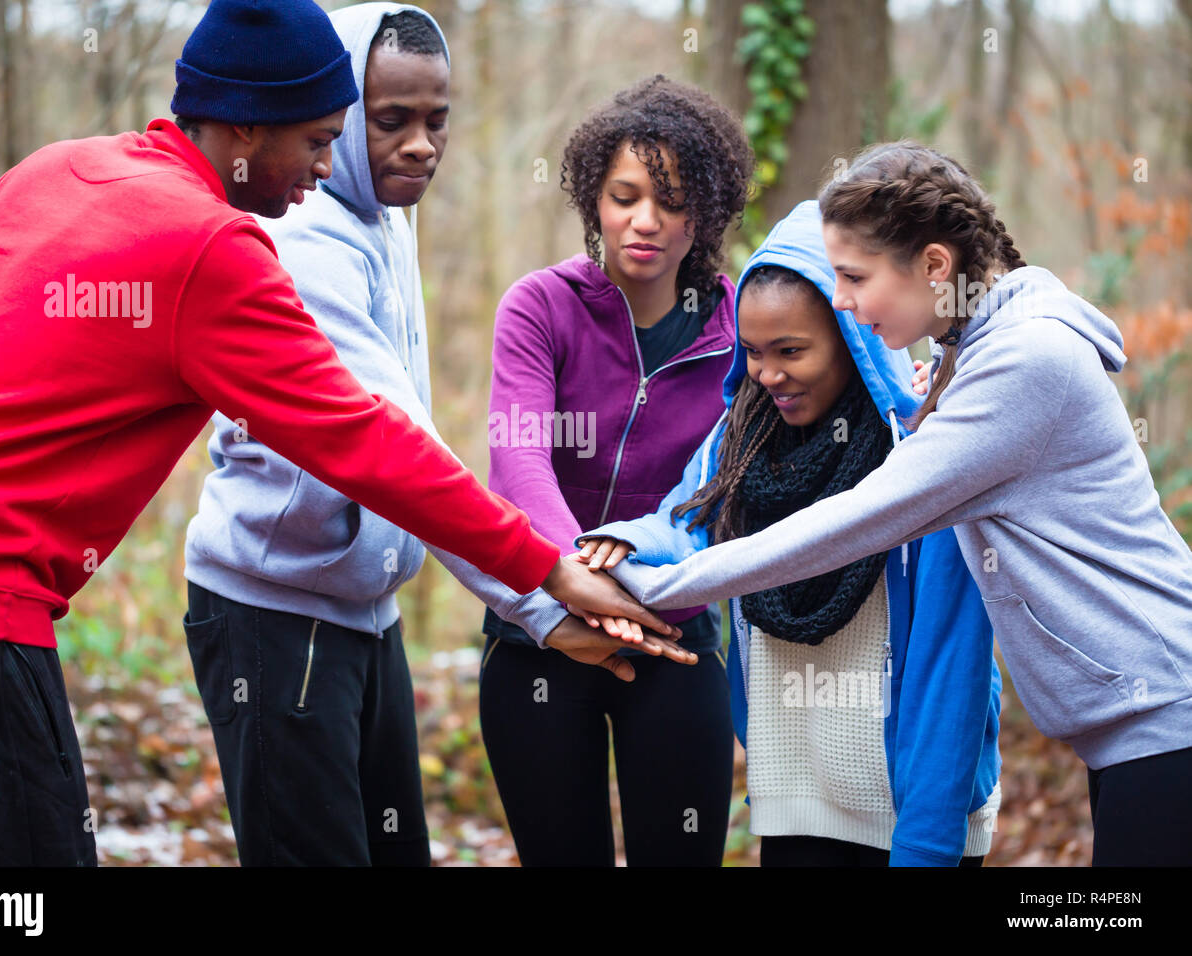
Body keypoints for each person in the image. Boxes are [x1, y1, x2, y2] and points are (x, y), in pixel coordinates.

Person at [0, 0, 680, 867]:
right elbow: (361, 440)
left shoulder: (55, 168)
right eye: (312, 141)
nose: (322, 165)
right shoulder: (216, 250)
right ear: (240, 128)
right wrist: (547, 568)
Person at [595, 142, 1192, 867]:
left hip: (1166, 713)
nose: (841, 300)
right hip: (1139, 724)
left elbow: (861, 517)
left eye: (854, 277)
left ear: (934, 266)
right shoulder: (973, 351)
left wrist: (659, 585)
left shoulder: (1023, 363)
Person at [182, 4, 681, 868]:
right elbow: (397, 449)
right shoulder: (303, 244)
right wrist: (539, 604)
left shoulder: (384, 215)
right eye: (389, 121)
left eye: (436, 118)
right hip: (275, 613)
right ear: (333, 117)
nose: (420, 144)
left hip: (363, 615)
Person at [578, 200, 1001, 866]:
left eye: (791, 351)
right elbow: (686, 521)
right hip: (793, 795)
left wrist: (927, 841)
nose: (767, 374)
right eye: (751, 352)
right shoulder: (742, 440)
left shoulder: (926, 455)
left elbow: (953, 665)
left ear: (851, 339)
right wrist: (630, 541)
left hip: (909, 817)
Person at [477, 76, 755, 866]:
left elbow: (723, 487)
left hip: (676, 633)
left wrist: (639, 576)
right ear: (592, 199)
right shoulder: (539, 307)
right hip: (539, 633)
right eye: (625, 196)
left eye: (671, 201)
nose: (645, 221)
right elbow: (518, 455)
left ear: (703, 212)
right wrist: (574, 580)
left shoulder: (739, 329)